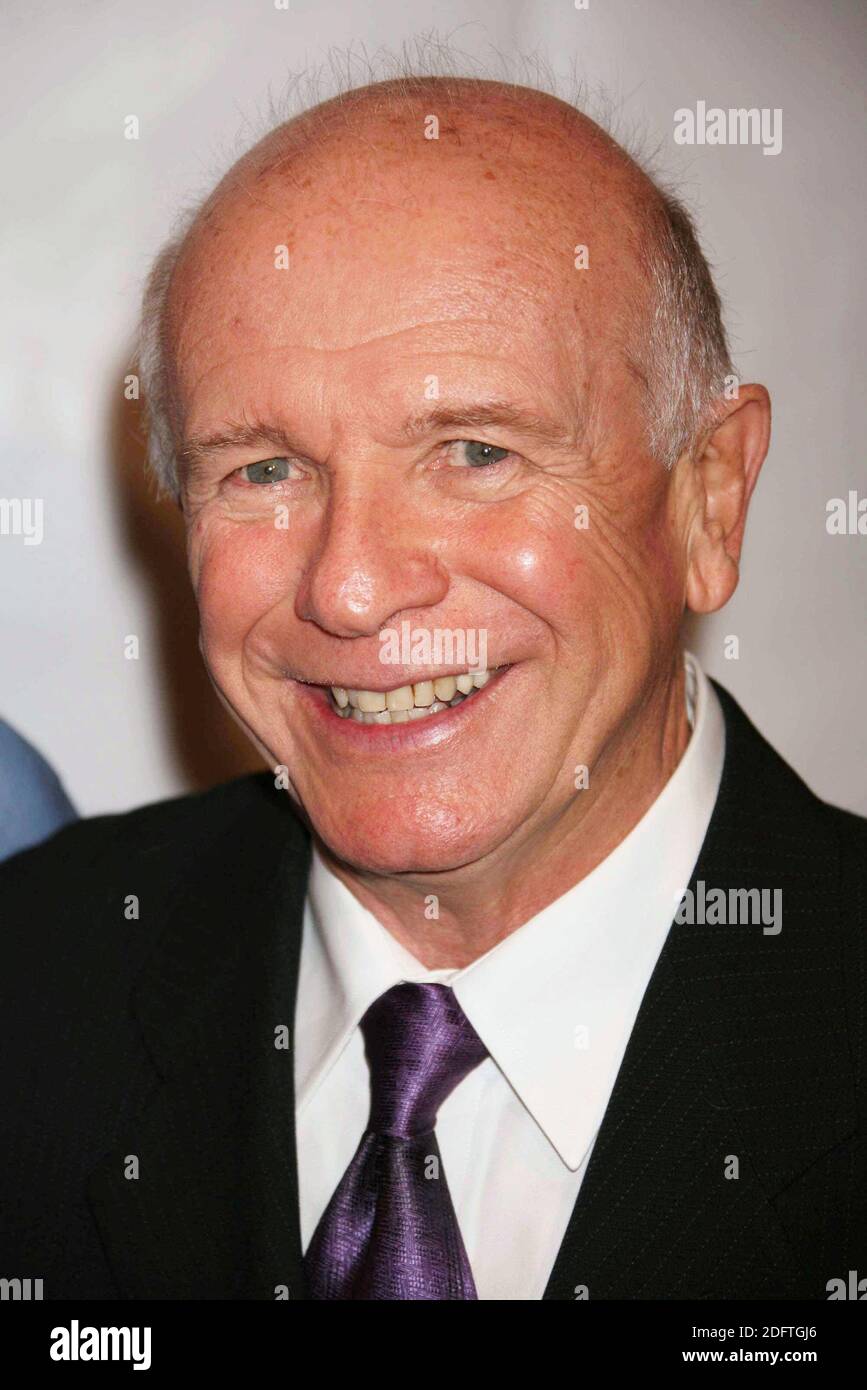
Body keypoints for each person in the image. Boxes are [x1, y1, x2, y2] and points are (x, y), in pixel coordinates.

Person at [1, 70, 864, 1301]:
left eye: (473, 451)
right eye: (262, 470)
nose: (350, 589)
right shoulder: (32, 980)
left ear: (708, 498)